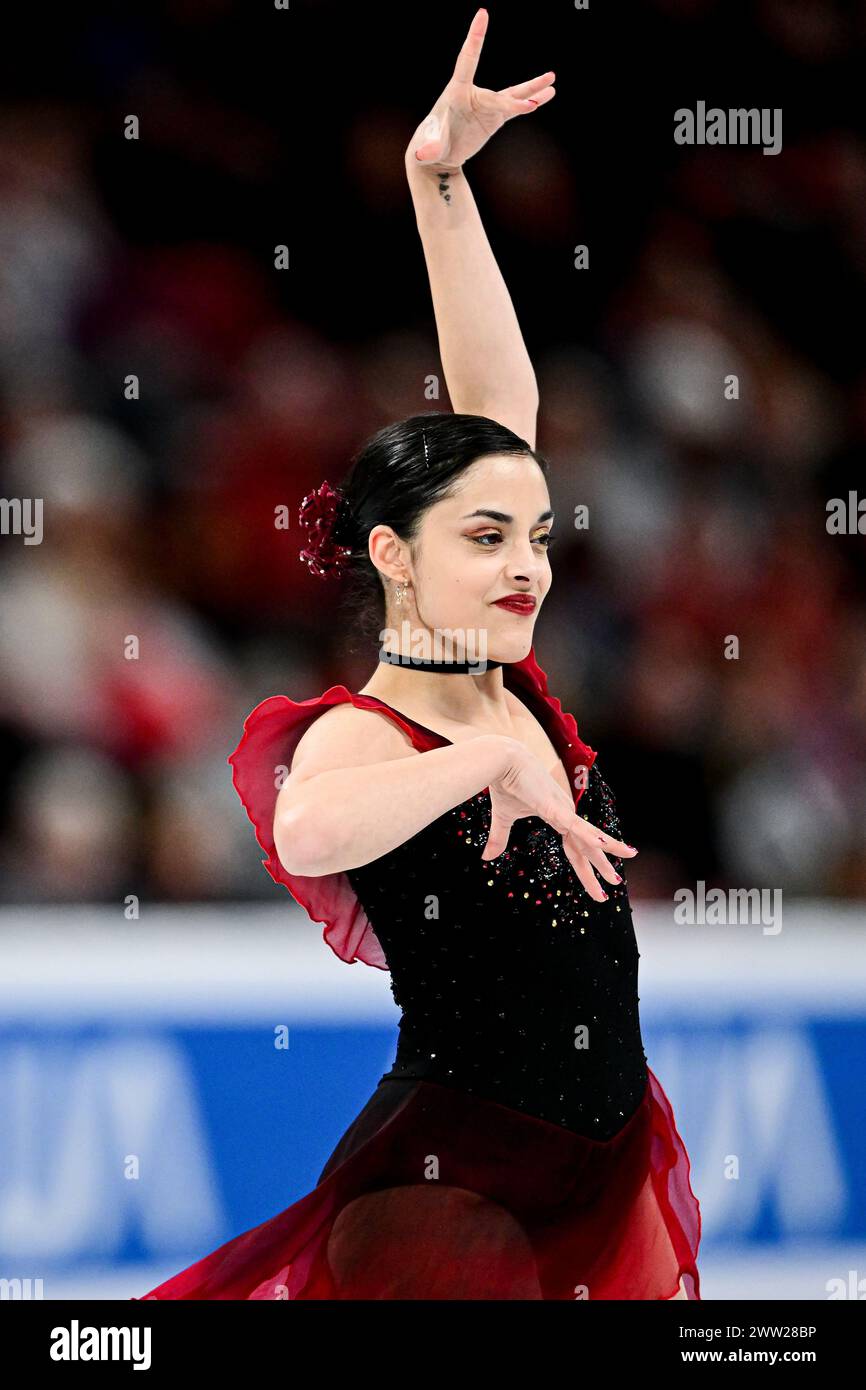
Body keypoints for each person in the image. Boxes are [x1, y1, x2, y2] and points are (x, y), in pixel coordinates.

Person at [135, 8, 700, 1301]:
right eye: (487, 537)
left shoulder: (510, 679)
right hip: (451, 1193)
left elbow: (502, 409)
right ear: (395, 557)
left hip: (597, 1159)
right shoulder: (364, 730)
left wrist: (437, 184)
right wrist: (477, 765)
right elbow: (315, 828)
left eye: (538, 537)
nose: (526, 566)